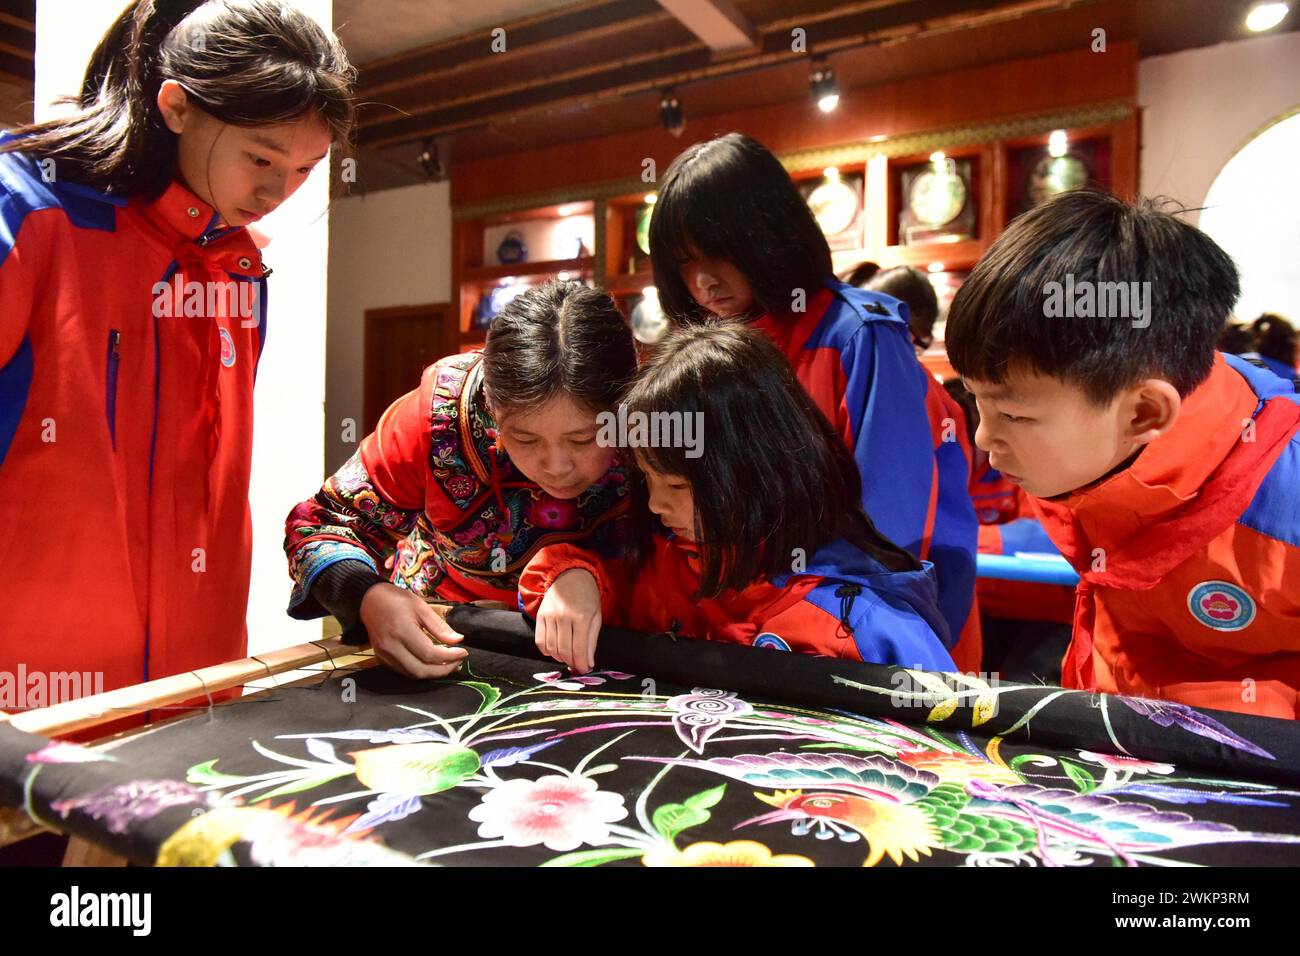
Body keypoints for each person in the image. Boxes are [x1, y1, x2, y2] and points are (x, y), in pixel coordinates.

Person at [0, 0, 354, 694]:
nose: (277, 191)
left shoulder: (238, 267)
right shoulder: (28, 210)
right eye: (262, 157)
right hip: (33, 710)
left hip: (199, 691)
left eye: (307, 170)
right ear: (177, 107)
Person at [946, 187, 1300, 719]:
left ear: (1144, 414)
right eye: (977, 402)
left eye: (1014, 414)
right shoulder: (1091, 454)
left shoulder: (1282, 510)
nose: (983, 438)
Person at [648, 132, 979, 668]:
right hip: (749, 640)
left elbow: (889, 537)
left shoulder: (860, 337)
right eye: (684, 262)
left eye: (719, 253)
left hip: (859, 641)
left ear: (769, 235)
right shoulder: (708, 350)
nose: (703, 281)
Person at [520, 321, 954, 674]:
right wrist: (569, 577)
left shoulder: (864, 621)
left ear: (757, 470)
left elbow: (949, 752)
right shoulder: (662, 562)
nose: (654, 505)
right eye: (647, 480)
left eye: (677, 486)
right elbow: (591, 581)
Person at [283, 281, 639, 680]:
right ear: (492, 405)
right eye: (524, 438)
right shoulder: (441, 414)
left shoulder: (653, 422)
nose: (556, 465)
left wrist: (594, 576)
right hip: (444, 642)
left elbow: (688, 556)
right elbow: (324, 524)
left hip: (609, 649)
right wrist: (367, 595)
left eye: (583, 438)